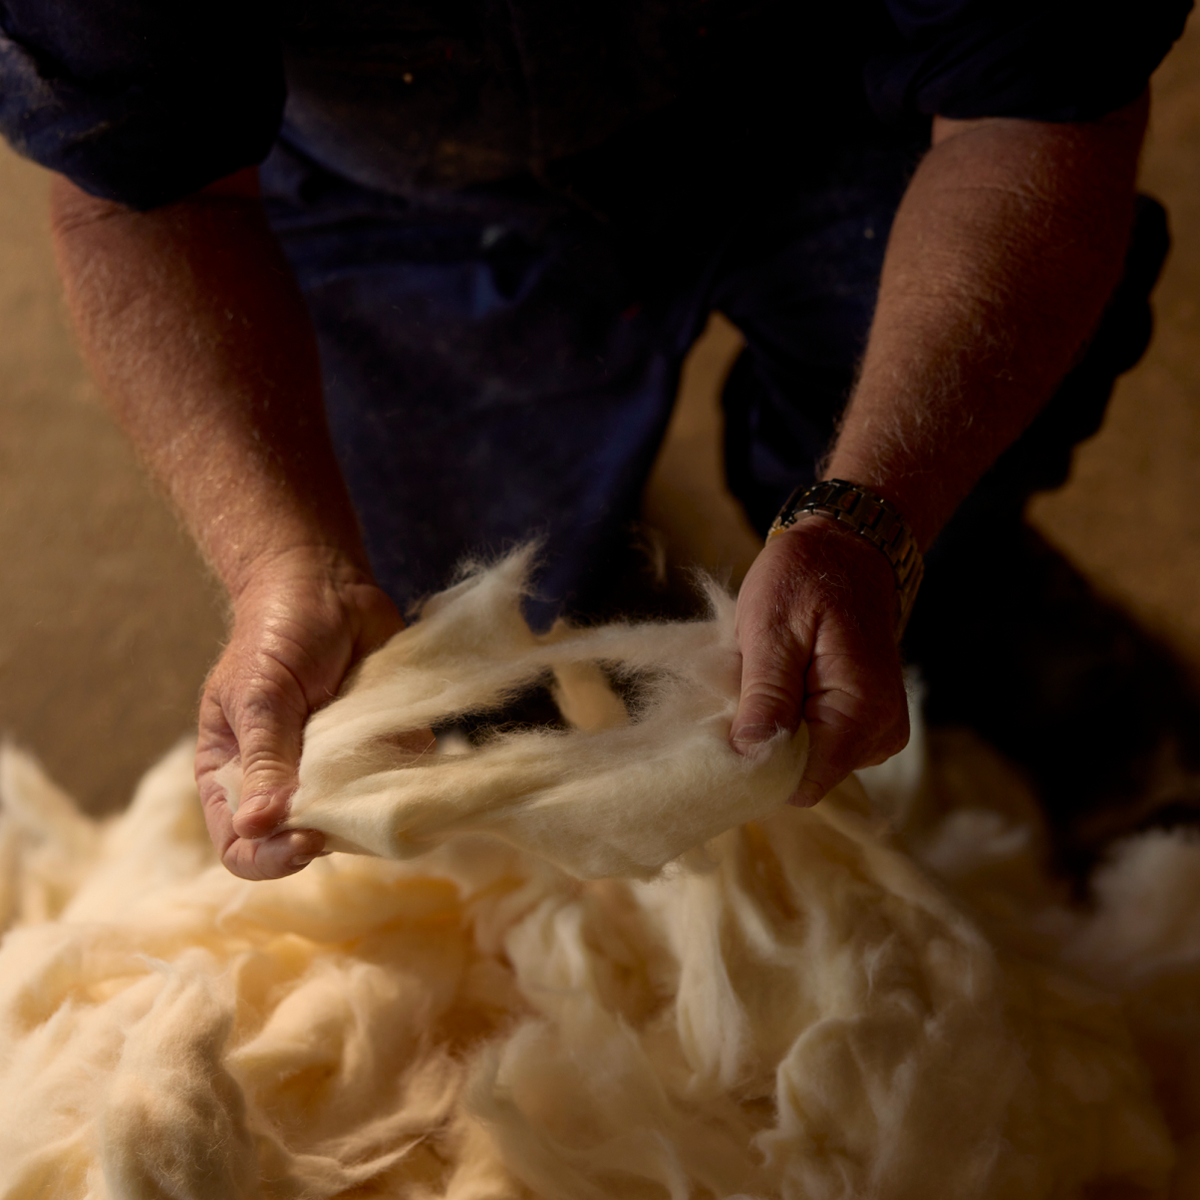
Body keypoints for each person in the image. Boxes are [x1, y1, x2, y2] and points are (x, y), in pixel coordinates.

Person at [1, 0, 1190, 880]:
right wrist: (277, 562)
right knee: (424, 609)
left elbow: (1026, 102)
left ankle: (947, 590)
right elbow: (144, 184)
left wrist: (876, 515)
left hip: (829, 73)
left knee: (981, 411)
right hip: (385, 179)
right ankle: (619, 595)